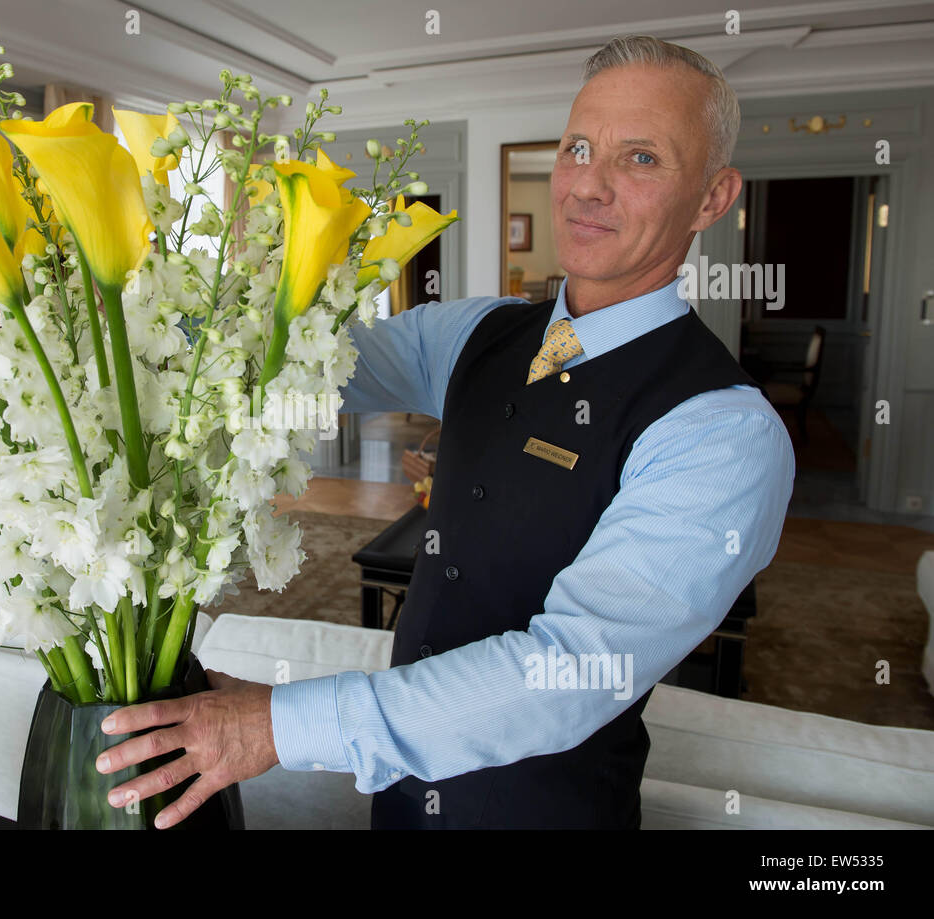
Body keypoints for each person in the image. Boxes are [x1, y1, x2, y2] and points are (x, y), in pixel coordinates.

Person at [93, 35, 795, 829]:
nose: (587, 186)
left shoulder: (722, 431)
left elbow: (565, 672)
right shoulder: (482, 332)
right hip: (397, 798)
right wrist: (123, 306)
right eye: (578, 147)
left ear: (712, 197)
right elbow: (297, 365)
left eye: (640, 159)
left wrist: (277, 725)